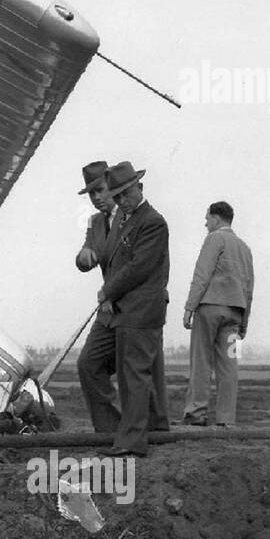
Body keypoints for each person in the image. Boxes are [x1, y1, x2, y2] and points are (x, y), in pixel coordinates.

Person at [97, 161, 170, 457]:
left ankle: (132, 442)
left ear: (140, 187)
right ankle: (144, 430)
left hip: (141, 310)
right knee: (134, 374)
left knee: (134, 375)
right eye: (117, 197)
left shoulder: (152, 221)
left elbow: (139, 267)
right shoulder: (126, 220)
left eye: (126, 193)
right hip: (128, 310)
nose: (122, 200)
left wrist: (107, 291)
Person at [182, 201, 254, 427]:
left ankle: (196, 414)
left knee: (201, 362)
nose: (205, 223)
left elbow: (202, 274)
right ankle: (226, 419)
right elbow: (249, 288)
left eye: (207, 218)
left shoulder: (214, 239)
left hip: (209, 309)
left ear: (216, 218)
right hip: (235, 313)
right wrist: (245, 321)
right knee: (229, 366)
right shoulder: (245, 248)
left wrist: (189, 307)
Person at [74, 161, 121, 434]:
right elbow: (85, 255)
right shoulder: (95, 223)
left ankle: (149, 428)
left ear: (113, 185)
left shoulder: (132, 216)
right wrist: (84, 258)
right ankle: (109, 430)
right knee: (88, 363)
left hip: (135, 308)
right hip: (108, 310)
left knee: (136, 371)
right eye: (92, 194)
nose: (97, 198)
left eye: (101, 190)